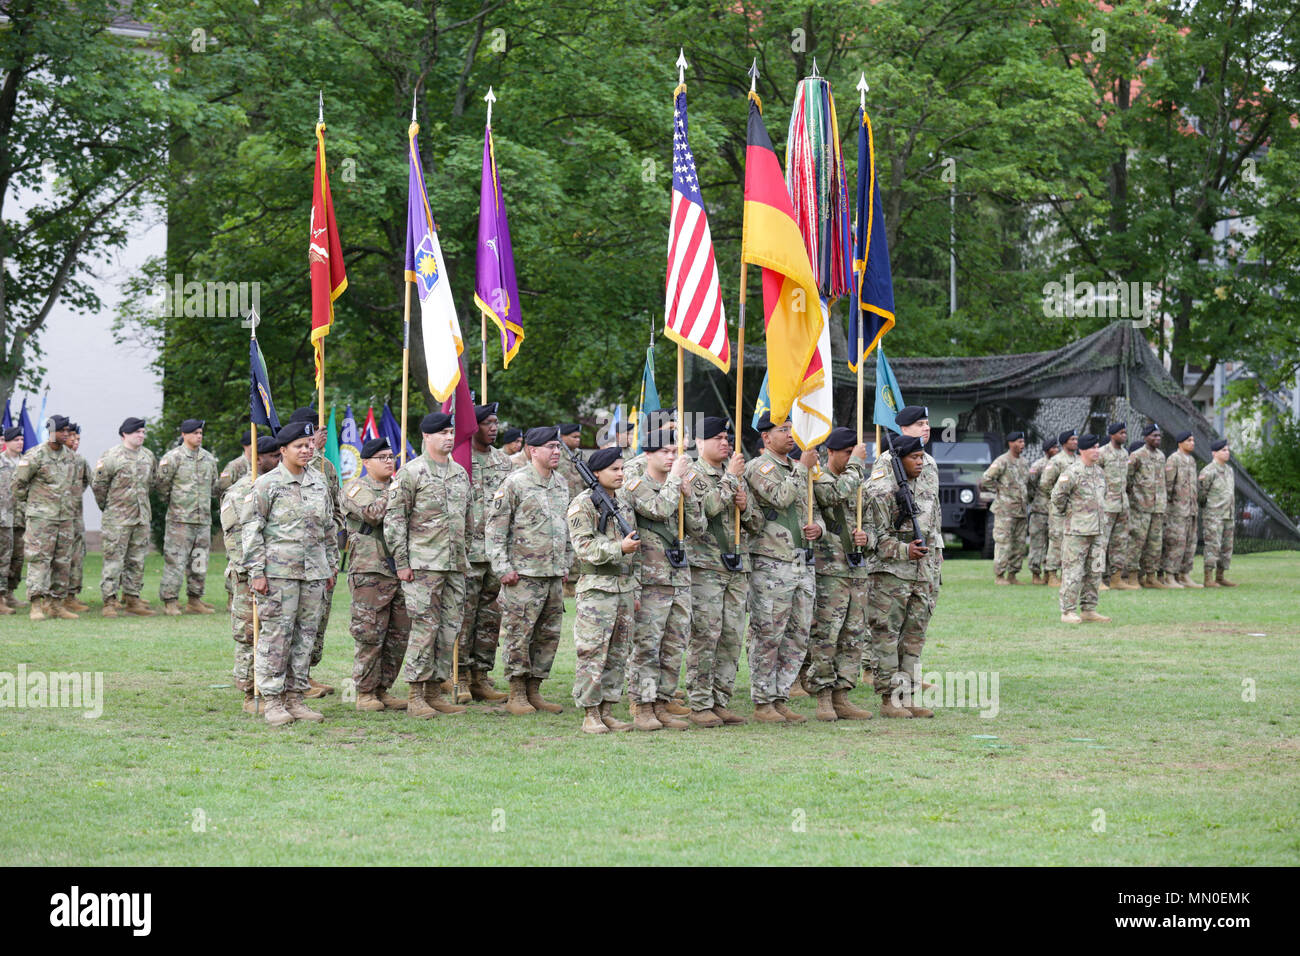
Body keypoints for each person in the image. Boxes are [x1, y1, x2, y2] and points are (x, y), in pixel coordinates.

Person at [242, 420, 339, 726]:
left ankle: (295, 698)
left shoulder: (318, 482)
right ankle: (272, 700)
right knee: (276, 637)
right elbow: (252, 530)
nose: (307, 450)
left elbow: (328, 528)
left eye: (309, 444)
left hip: (314, 573)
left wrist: (331, 564)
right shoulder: (267, 484)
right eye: (299, 446)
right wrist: (257, 572)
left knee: (305, 637)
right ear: (283, 450)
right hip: (278, 574)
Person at [383, 412, 471, 719]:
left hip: (454, 565)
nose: (449, 437)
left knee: (449, 629)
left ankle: (434, 691)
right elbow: (395, 520)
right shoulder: (411, 472)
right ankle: (416, 694)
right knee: (424, 629)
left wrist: (465, 557)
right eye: (443, 433)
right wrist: (401, 562)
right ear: (427, 436)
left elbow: (468, 519)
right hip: (423, 565)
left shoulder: (459, 473)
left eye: (451, 432)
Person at [486, 426, 573, 715]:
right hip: (523, 575)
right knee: (519, 635)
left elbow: (565, 527)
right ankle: (517, 693)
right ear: (533, 450)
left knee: (548, 636)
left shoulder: (561, 483)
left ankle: (534, 690)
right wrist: (502, 568)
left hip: (552, 574)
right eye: (550, 446)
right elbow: (496, 529)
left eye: (558, 446)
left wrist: (566, 563)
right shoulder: (515, 482)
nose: (557, 451)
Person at [744, 411, 822, 724]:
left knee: (798, 634)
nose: (791, 435)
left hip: (802, 561)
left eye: (792, 429)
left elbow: (811, 509)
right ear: (766, 437)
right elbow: (780, 497)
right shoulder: (760, 467)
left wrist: (819, 528)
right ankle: (763, 702)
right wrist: (803, 467)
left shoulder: (797, 468)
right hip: (773, 563)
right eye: (784, 429)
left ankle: (781, 696)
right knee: (769, 634)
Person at [685, 416, 762, 727]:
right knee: (706, 635)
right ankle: (700, 702)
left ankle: (720, 700)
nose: (724, 443)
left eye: (726, 438)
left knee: (731, 636)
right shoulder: (693, 475)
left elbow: (756, 524)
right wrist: (730, 479)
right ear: (699, 443)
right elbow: (703, 512)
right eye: (716, 438)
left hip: (736, 566)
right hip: (706, 567)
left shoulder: (735, 475)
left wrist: (745, 507)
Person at [624, 426, 702, 731]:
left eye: (675, 452)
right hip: (650, 579)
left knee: (674, 645)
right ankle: (642, 705)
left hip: (678, 577)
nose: (671, 457)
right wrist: (675, 481)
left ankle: (662, 702)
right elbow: (659, 509)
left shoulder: (676, 484)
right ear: (647, 454)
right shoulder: (635, 485)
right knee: (647, 646)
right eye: (665, 452)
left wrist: (689, 496)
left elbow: (698, 527)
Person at [864, 435, 941, 718]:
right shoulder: (881, 489)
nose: (920, 462)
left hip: (921, 573)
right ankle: (889, 699)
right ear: (899, 459)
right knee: (886, 636)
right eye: (914, 458)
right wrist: (904, 550)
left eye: (922, 457)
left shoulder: (924, 484)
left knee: (913, 637)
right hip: (890, 575)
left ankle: (907, 696)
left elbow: (933, 527)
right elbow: (873, 538)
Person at [566, 446, 640, 733]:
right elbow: (584, 547)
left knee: (619, 653)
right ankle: (590, 713)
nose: (621, 474)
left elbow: (636, 551)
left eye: (622, 469)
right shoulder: (582, 505)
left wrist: (635, 588)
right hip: (597, 590)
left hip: (624, 588)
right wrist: (619, 548)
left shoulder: (623, 504)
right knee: (593, 652)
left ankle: (607, 710)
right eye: (614, 469)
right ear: (596, 473)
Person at [808, 426, 875, 721]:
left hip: (856, 569)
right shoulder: (819, 479)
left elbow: (873, 523)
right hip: (830, 570)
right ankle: (823, 695)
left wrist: (867, 538)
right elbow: (832, 495)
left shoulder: (858, 484)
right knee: (827, 634)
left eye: (854, 453)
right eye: (847, 453)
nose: (851, 458)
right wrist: (857, 464)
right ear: (830, 452)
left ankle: (842, 694)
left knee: (853, 635)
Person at [343, 438, 411, 713]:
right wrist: (395, 491)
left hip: (401, 568)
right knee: (370, 634)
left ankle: (383, 688)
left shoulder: (400, 487)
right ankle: (365, 691)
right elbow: (372, 515)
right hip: (370, 570)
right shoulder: (356, 488)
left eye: (391, 456)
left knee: (398, 634)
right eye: (382, 457)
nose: (388, 461)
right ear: (366, 462)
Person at [455, 402, 512, 703]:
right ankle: (460, 674)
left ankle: (481, 675)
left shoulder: (504, 461)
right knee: (465, 616)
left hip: (496, 553)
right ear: (472, 426)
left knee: (490, 618)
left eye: (495, 422)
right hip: (469, 552)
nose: (493, 428)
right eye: (487, 423)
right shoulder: (460, 459)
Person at [220, 435, 281, 712]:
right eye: (273, 456)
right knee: (249, 634)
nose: (278, 460)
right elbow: (235, 541)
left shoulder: (279, 487)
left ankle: (276, 689)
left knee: (275, 634)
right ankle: (250, 693)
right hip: (248, 577)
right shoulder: (239, 492)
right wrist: (255, 571)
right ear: (258, 458)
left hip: (279, 574)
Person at [287, 407, 342, 698]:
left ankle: (305, 673)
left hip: (320, 557)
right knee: (290, 622)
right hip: (291, 560)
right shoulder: (284, 464)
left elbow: (336, 511)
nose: (316, 438)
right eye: (311, 433)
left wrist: (331, 550)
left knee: (315, 621)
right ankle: (290, 678)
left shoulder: (325, 468)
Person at [14, 415, 80, 620]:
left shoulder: (71, 457)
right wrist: (34, 506)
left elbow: (74, 485)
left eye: (68, 431)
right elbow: (18, 485)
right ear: (51, 432)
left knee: (63, 562)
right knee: (39, 560)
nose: (66, 434)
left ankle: (56, 604)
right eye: (62, 431)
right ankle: (36, 604)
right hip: (41, 519)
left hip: (65, 518)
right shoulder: (35, 456)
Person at [93, 417, 157, 617]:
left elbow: (151, 483)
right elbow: (99, 486)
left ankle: (132, 599)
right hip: (117, 519)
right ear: (124, 434)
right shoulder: (111, 456)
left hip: (141, 517)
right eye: (137, 432)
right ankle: (109, 601)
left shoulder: (148, 456)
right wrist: (109, 508)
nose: (141, 435)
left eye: (143, 432)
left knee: (137, 560)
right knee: (114, 561)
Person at [155, 418, 220, 614]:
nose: (199, 436)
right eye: (194, 433)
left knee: (199, 561)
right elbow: (162, 487)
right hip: (180, 521)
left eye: (200, 433)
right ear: (184, 435)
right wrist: (177, 505)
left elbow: (214, 486)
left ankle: (195, 599)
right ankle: (170, 600)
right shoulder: (173, 458)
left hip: (202, 520)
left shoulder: (208, 459)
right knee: (175, 561)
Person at [1052, 434, 1110, 624]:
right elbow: (1057, 496)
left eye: (1098, 447)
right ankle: (1067, 611)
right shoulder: (1072, 472)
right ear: (1083, 450)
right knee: (1073, 572)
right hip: (1077, 531)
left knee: (1095, 571)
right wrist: (1070, 514)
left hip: (1098, 530)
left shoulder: (1099, 472)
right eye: (1093, 447)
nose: (1097, 451)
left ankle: (1089, 609)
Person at [981, 431, 1029, 585]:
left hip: (1020, 511)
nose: (1022, 445)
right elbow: (986, 479)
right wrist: (999, 489)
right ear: (1011, 443)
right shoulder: (1002, 461)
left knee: (1019, 545)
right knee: (1003, 543)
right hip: (1005, 511)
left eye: (1023, 442)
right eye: (1019, 442)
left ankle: (1013, 575)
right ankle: (1000, 575)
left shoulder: (1024, 462)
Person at [1126, 424, 1169, 588]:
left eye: (1159, 436)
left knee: (1155, 544)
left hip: (1157, 508)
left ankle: (1151, 576)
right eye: (1154, 436)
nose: (1157, 439)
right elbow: (1128, 479)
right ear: (1145, 437)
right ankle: (1132, 576)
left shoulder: (1161, 456)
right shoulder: (1137, 456)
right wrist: (1135, 497)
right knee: (1136, 542)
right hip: (1140, 507)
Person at [1099, 423, 1139, 590]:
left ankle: (1116, 579)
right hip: (1106, 505)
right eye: (1121, 433)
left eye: (1125, 432)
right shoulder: (1101, 453)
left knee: (1120, 543)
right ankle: (1097, 579)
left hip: (1122, 505)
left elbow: (1127, 479)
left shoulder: (1124, 453)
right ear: (1112, 435)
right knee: (1101, 543)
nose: (1124, 435)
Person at [1039, 429, 1079, 587]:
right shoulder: (1057, 461)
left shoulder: (1078, 459)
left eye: (1076, 439)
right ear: (1064, 443)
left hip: (1073, 509)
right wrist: (1058, 499)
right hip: (1058, 510)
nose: (1075, 442)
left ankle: (1065, 573)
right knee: (1056, 541)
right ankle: (1051, 574)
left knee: (1070, 542)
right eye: (1072, 439)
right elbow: (1045, 483)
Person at [1161, 431, 1200, 588]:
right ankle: (1169, 575)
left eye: (1193, 440)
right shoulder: (1174, 459)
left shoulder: (1191, 460)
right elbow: (1168, 485)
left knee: (1190, 543)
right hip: (1177, 510)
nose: (1192, 443)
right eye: (1189, 440)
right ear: (1180, 442)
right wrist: (1169, 508)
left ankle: (1184, 574)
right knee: (1176, 542)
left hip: (1191, 509)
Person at [1198, 439, 1237, 587]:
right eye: (1223, 450)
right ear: (1214, 453)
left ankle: (1220, 576)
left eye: (1227, 450)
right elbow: (1202, 495)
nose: (1227, 453)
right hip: (1214, 515)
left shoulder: (1229, 470)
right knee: (1213, 546)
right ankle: (1208, 578)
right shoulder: (1208, 471)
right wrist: (1209, 509)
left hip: (1228, 515)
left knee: (1226, 548)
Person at [1026, 437, 1059, 584]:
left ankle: (1048, 573)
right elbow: (1030, 484)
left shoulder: (1059, 463)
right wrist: (1035, 498)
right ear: (1047, 450)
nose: (1056, 450)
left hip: (1055, 510)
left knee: (1052, 544)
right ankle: (1035, 574)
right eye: (1053, 448)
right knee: (1037, 543)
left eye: (1057, 447)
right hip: (1040, 510)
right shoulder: (1038, 465)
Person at [0, 426, 23, 614]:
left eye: (22, 439)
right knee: (3, 558)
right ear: (6, 442)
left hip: (21, 518)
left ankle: (9, 593)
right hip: (3, 518)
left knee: (18, 558)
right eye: (16, 440)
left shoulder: (26, 463)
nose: (20, 443)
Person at [554, 422, 586, 500]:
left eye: (579, 437)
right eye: (574, 437)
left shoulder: (580, 454)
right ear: (562, 437)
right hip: (560, 499)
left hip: (579, 499)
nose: (578, 440)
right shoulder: (556, 453)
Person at [219, 427, 253, 494]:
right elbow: (223, 487)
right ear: (245, 445)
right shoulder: (233, 465)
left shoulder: (261, 464)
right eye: (253, 443)